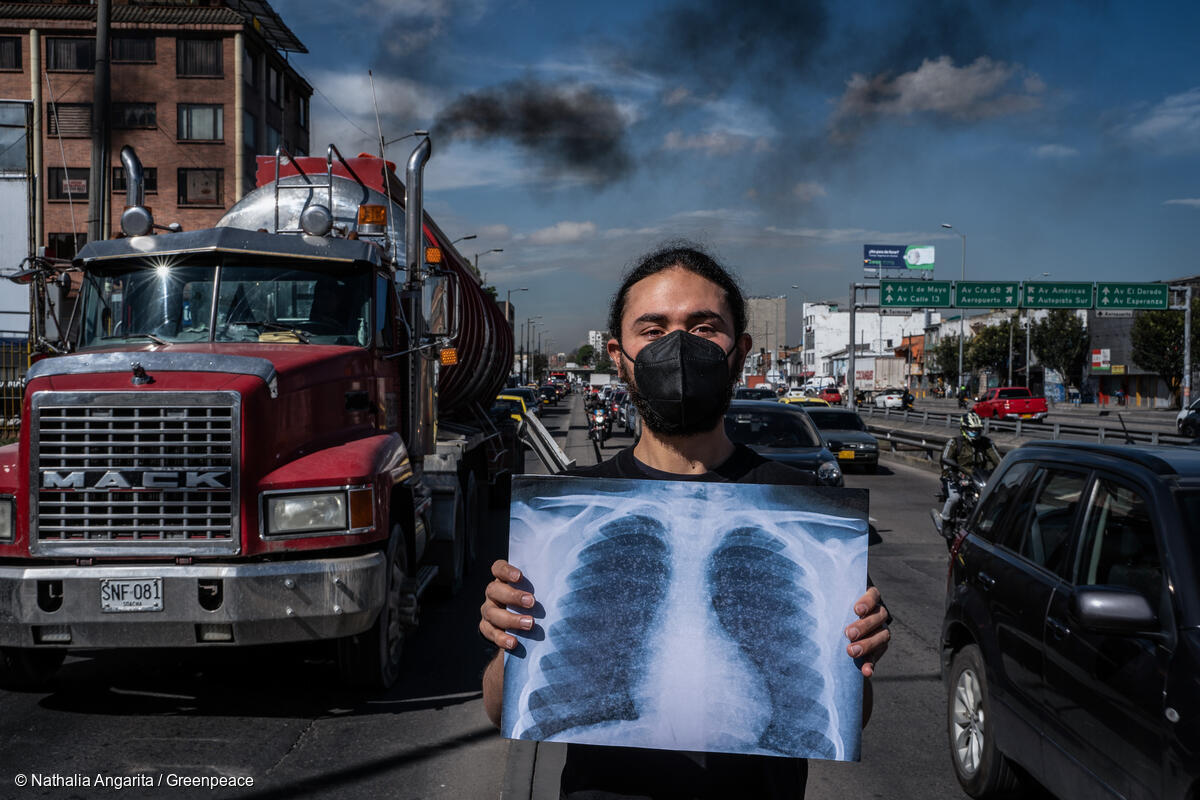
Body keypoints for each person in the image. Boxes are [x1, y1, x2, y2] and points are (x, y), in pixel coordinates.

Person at [479, 244, 891, 799]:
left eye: (703, 328)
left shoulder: (808, 506)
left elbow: (849, 716)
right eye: (652, 330)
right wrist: (508, 635)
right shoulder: (569, 503)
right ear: (617, 355)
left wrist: (859, 651)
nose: (677, 348)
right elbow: (498, 706)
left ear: (739, 351)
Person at [937, 411, 1001, 523]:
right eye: (971, 430)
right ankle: (945, 521)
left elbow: (998, 460)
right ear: (964, 429)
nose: (974, 433)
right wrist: (952, 474)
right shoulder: (954, 443)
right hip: (957, 476)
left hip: (978, 477)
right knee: (955, 498)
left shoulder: (986, 443)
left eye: (977, 430)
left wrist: (1004, 471)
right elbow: (945, 459)